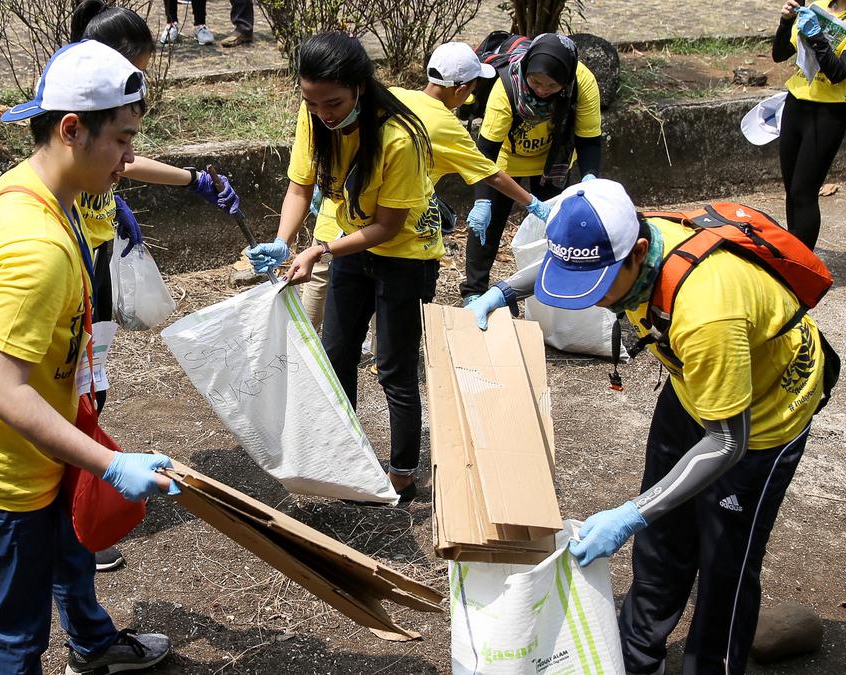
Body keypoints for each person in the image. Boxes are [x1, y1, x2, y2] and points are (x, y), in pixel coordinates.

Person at [468, 179, 829, 674]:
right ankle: (635, 661)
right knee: (660, 543)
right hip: (694, 387)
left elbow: (729, 441)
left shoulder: (707, 311)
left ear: (638, 253)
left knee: (726, 562)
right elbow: (563, 265)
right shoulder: (634, 238)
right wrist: (502, 290)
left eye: (598, 283)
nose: (590, 299)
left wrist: (630, 513)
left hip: (762, 418)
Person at [0, 40, 177, 674]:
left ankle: (93, 644)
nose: (128, 159)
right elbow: (1, 389)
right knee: (17, 629)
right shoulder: (34, 246)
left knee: (69, 554)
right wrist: (109, 463)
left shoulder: (27, 188)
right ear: (72, 130)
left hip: (41, 445)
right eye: (121, 140)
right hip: (2, 468)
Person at [70, 0, 241, 572]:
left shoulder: (94, 118)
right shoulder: (77, 114)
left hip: (96, 258)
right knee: (76, 392)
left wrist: (194, 179)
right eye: (135, 67)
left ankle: (77, 512)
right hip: (76, 267)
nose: (138, 84)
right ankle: (77, 521)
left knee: (91, 387)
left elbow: (126, 160)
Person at [245, 32, 438, 501]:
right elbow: (299, 187)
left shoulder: (400, 137)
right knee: (336, 355)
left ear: (359, 87)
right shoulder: (314, 119)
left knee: (394, 367)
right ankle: (345, 456)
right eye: (312, 103)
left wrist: (320, 251)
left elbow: (388, 228)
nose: (323, 113)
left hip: (403, 256)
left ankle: (402, 472)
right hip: (348, 247)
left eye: (332, 102)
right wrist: (282, 241)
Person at [299, 41, 555, 331]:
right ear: (461, 90)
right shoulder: (444, 125)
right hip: (384, 226)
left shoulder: (393, 96)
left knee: (320, 283)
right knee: (386, 301)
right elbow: (491, 173)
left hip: (335, 215)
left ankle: (301, 356)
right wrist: (532, 202)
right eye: (471, 89)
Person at [462, 32, 602, 304]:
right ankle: (474, 291)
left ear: (566, 79)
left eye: (551, 85)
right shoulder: (507, 85)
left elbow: (589, 139)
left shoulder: (582, 82)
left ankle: (544, 289)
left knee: (553, 228)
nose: (541, 90)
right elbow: (486, 151)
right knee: (487, 227)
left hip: (554, 159)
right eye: (535, 81)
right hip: (505, 159)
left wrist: (590, 177)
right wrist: (481, 200)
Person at [773, 0, 846, 249]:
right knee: (792, 190)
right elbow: (779, 54)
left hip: (827, 113)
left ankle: (804, 267)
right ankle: (792, 259)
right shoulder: (818, 5)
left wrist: (817, 36)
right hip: (795, 103)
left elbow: (838, 72)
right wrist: (785, 21)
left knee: (804, 192)